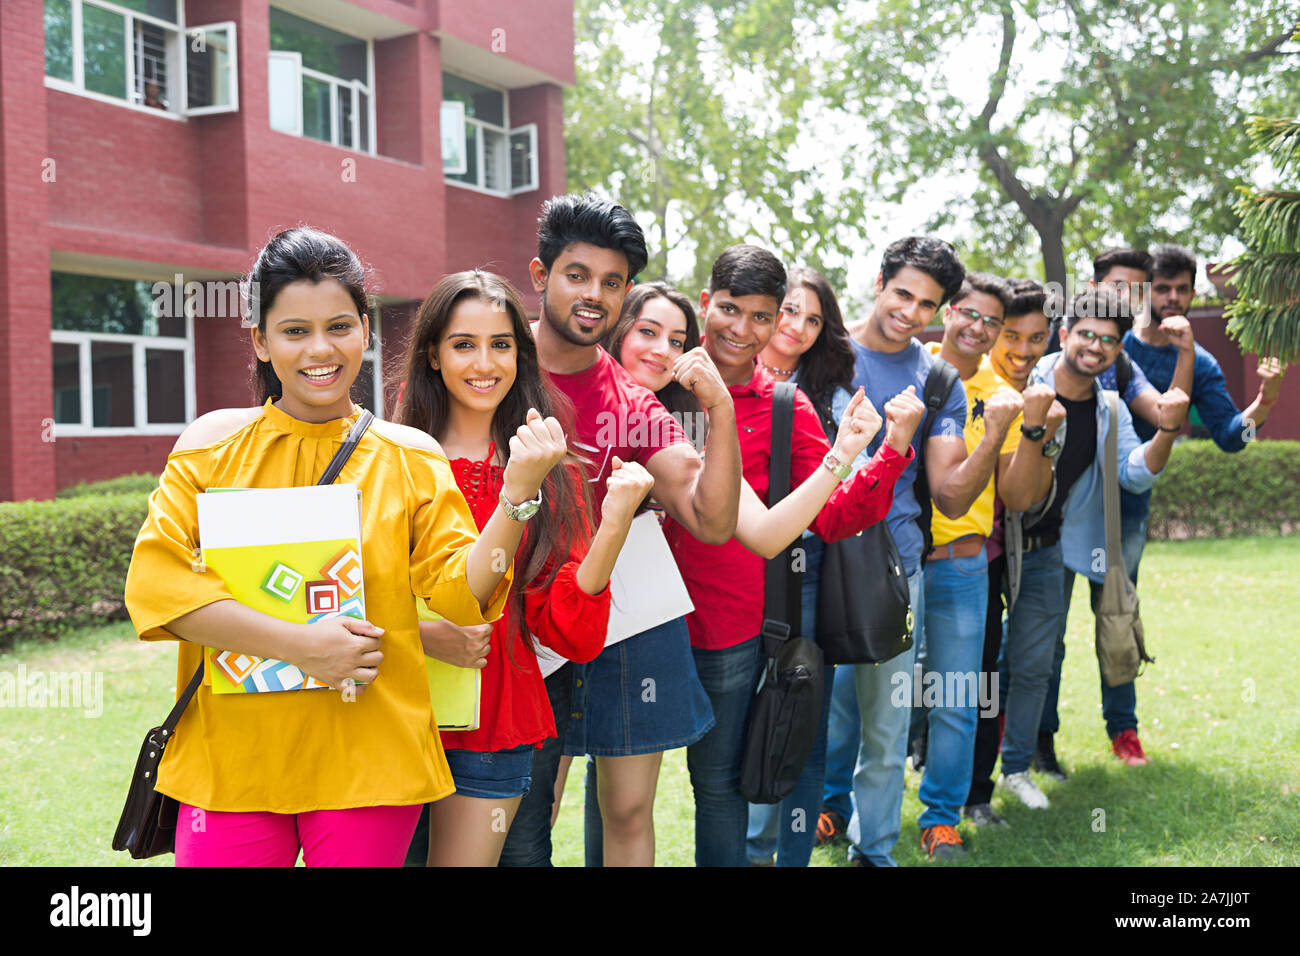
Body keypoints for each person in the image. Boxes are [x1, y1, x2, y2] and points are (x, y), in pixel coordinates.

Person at [122, 227, 546, 866]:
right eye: (294, 331)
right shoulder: (211, 445)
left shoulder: (411, 457)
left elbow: (461, 594)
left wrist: (515, 501)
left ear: (366, 331)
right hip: (230, 761)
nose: (320, 349)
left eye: (340, 326)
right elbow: (156, 587)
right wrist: (302, 646)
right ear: (261, 341)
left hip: (369, 757)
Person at [498, 192, 743, 867]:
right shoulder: (493, 371)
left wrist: (718, 410)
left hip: (620, 618)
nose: (593, 295)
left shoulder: (632, 404)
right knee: (522, 813)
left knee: (629, 809)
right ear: (540, 274)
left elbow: (711, 519)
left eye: (612, 283)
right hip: (513, 624)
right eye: (577, 275)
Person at [664, 245, 915, 867]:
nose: (740, 330)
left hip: (727, 624)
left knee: (718, 785)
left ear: (777, 321)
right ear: (705, 303)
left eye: (758, 317)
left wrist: (886, 451)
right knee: (615, 783)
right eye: (727, 309)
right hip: (635, 623)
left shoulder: (784, 407)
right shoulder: (655, 384)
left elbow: (831, 515)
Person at [394, 271, 654, 866]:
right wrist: (423, 635)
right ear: (432, 354)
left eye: (502, 343)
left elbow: (568, 630)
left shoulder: (547, 466)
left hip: (493, 720)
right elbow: (342, 592)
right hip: (391, 713)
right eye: (464, 344)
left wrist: (612, 525)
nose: (484, 362)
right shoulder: (389, 457)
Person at [1041, 244, 1286, 766]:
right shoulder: (1108, 339)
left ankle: (1123, 731)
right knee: (1047, 627)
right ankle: (1039, 740)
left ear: (1194, 293)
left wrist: (1263, 405)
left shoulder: (1200, 360)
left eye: (1183, 289)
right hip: (1058, 506)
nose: (1173, 298)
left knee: (1117, 617)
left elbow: (1228, 437)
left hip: (1123, 508)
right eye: (1163, 288)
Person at [1000, 286, 1188, 810]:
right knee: (978, 655)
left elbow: (1134, 475)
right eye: (1087, 334)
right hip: (993, 541)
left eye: (1109, 340)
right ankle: (943, 758)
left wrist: (1167, 432)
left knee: (1037, 656)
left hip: (1050, 548)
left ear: (1118, 351)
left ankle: (1016, 766)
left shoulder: (1109, 407)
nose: (1096, 347)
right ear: (1064, 335)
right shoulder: (1023, 383)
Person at [562, 281, 718, 868]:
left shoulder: (671, 422)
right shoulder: (555, 387)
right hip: (548, 614)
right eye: (647, 331)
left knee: (628, 809)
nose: (660, 350)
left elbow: (730, 520)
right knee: (534, 801)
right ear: (615, 327)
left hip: (636, 623)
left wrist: (718, 410)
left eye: (676, 339)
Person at [909, 272, 1062, 858]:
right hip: (895, 561)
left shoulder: (1005, 394)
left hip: (964, 564)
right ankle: (838, 808)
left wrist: (1034, 434)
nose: (979, 328)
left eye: (990, 322)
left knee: (956, 698)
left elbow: (1018, 497)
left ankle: (942, 815)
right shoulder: (911, 362)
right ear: (947, 312)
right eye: (969, 314)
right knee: (871, 693)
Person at [742, 266, 880, 867]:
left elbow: (842, 498)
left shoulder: (830, 394)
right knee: (745, 718)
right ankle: (749, 847)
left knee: (802, 710)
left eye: (813, 319)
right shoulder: (723, 377)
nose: (796, 327)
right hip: (739, 571)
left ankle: (792, 854)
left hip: (809, 568)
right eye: (789, 311)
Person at [964, 279, 1065, 826]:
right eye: (1011, 335)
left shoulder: (1044, 400)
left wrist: (1036, 433)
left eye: (1037, 338)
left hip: (997, 559)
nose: (1024, 350)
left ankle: (978, 792)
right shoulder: (961, 378)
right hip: (939, 553)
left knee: (986, 680)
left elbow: (1020, 496)